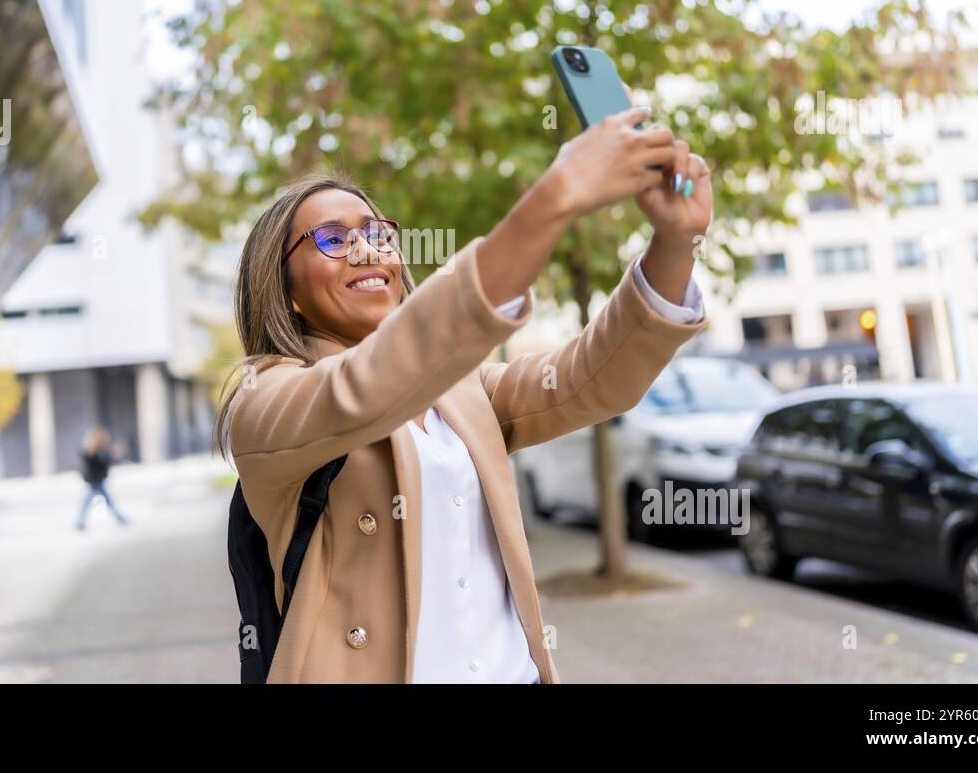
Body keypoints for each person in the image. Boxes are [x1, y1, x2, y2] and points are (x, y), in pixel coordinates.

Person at [218, 104, 713, 683]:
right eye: (331, 238)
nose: (367, 248)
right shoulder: (263, 403)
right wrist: (559, 194)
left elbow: (587, 379)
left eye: (376, 232)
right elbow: (361, 389)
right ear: (286, 290)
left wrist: (676, 242)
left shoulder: (460, 387)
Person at [75, 427, 129, 530]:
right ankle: (119, 517)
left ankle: (80, 521)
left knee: (97, 500)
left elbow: (107, 461)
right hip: (95, 480)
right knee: (101, 500)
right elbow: (99, 462)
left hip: (97, 479)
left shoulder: (96, 452)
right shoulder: (92, 453)